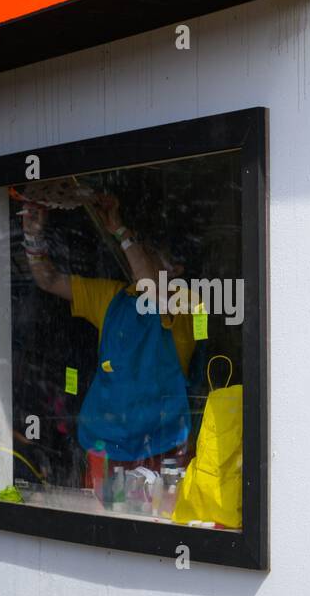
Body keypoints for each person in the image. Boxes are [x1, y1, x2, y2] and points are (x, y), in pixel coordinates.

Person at [21, 193, 195, 486]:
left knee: (156, 524)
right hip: (106, 443)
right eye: (141, 247)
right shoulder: (114, 297)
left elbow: (153, 292)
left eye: (149, 249)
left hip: (162, 445)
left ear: (177, 270)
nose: (141, 252)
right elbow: (47, 280)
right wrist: (33, 236)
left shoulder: (185, 301)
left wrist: (121, 232)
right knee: (103, 524)